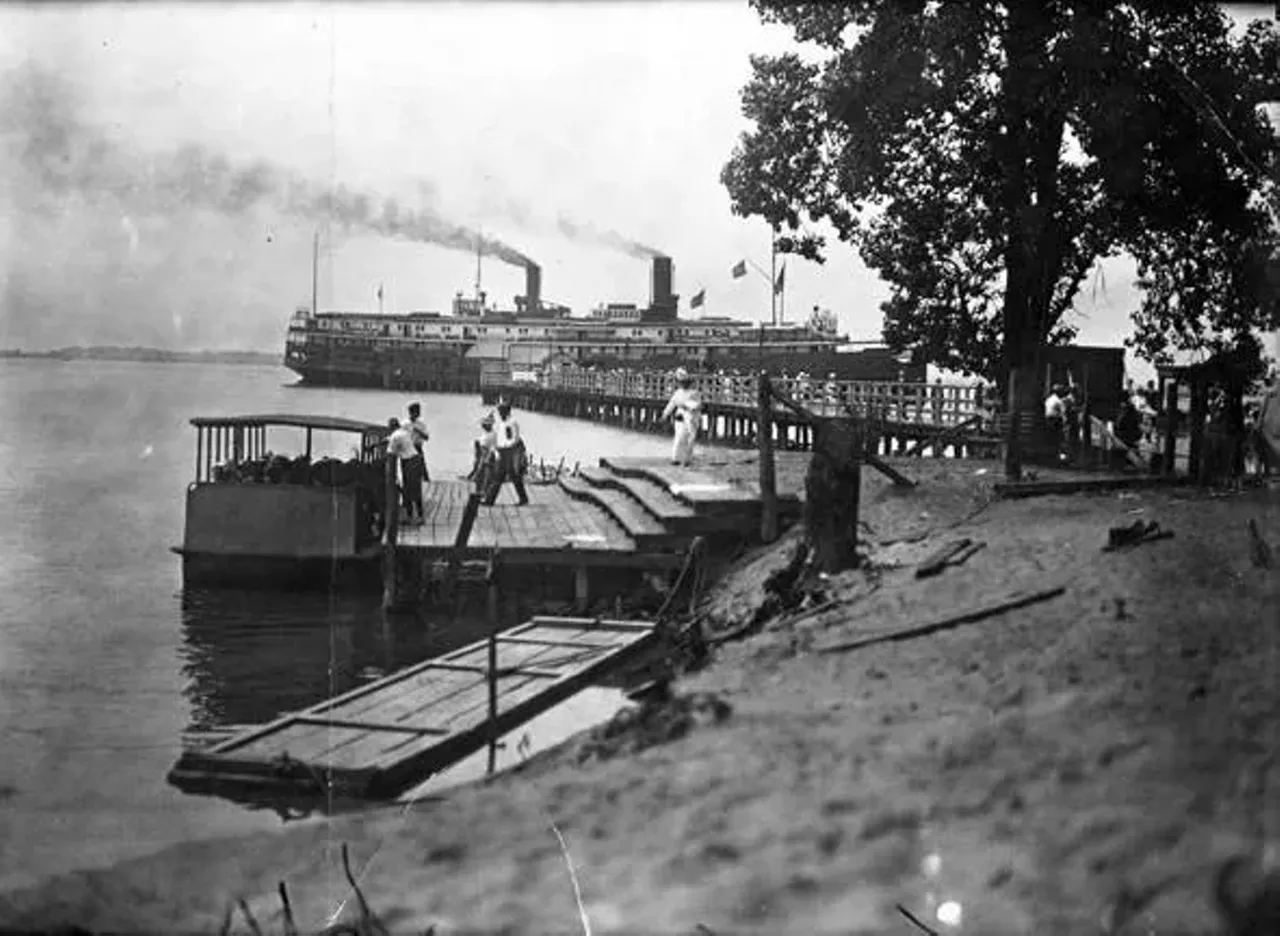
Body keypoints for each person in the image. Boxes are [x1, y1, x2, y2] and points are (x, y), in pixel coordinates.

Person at [484, 400, 529, 506]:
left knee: (511, 476)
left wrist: (504, 448)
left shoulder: (511, 423)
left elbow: (513, 439)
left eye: (501, 412)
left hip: (510, 452)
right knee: (501, 476)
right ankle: (490, 500)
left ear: (506, 412)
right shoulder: (504, 423)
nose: (500, 414)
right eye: (499, 412)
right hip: (504, 451)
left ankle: (523, 498)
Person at [385, 417, 424, 524]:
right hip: (416, 460)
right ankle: (419, 516)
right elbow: (392, 439)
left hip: (409, 463)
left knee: (408, 490)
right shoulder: (404, 432)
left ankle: (409, 517)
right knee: (415, 489)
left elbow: (390, 453)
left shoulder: (395, 436)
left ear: (391, 427)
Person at [662, 367, 701, 467]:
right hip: (681, 417)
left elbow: (697, 405)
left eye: (685, 382)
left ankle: (687, 459)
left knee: (690, 439)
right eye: (682, 382)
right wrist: (665, 414)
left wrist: (687, 406)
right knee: (679, 438)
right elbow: (671, 404)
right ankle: (676, 458)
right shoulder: (678, 393)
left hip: (691, 417)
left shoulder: (694, 393)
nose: (683, 384)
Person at [467, 413, 498, 492]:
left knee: (483, 474)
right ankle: (480, 490)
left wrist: (488, 456)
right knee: (480, 473)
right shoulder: (487, 433)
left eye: (484, 425)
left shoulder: (493, 434)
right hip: (483, 453)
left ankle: (483, 491)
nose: (482, 426)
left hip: (487, 454)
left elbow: (493, 447)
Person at [406, 401, 430, 482]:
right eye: (418, 411)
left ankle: (426, 481)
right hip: (407, 447)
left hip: (417, 446)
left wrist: (419, 432)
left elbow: (427, 437)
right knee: (407, 468)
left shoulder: (421, 424)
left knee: (422, 466)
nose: (419, 413)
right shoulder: (405, 424)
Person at [1044, 384, 1066, 455]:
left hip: (1048, 419)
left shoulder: (1049, 399)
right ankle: (1056, 453)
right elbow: (1063, 412)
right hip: (1055, 420)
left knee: (1050, 437)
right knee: (1057, 438)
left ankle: (1050, 452)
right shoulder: (1058, 401)